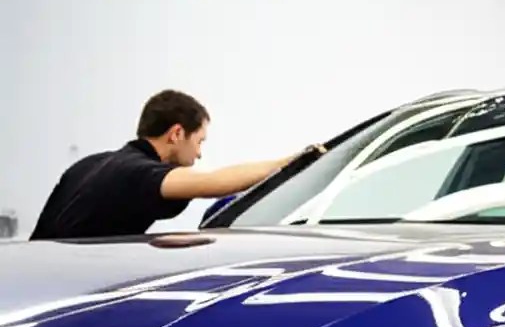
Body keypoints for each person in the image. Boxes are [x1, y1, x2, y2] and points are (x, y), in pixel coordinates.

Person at [30, 89, 322, 241]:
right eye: (199, 142)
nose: (199, 155)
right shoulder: (138, 174)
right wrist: (296, 162)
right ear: (176, 134)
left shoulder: (88, 166)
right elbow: (214, 183)